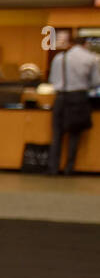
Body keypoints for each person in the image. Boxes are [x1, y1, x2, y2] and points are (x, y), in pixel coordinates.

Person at [46, 34, 100, 176]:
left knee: (56, 134)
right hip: (79, 98)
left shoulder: (59, 58)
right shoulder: (90, 58)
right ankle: (69, 168)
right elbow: (96, 82)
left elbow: (52, 79)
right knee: (74, 133)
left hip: (60, 97)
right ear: (85, 44)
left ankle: (53, 168)